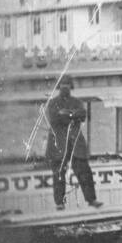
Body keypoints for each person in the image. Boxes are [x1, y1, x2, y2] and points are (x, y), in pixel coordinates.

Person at [45, 77, 102, 209]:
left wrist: (66, 114)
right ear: (59, 87)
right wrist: (73, 115)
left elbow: (82, 115)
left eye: (68, 85)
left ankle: (91, 200)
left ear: (71, 87)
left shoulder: (77, 102)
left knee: (84, 172)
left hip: (75, 143)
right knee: (59, 174)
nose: (65, 87)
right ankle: (59, 203)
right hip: (58, 143)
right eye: (63, 85)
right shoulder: (53, 103)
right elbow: (55, 118)